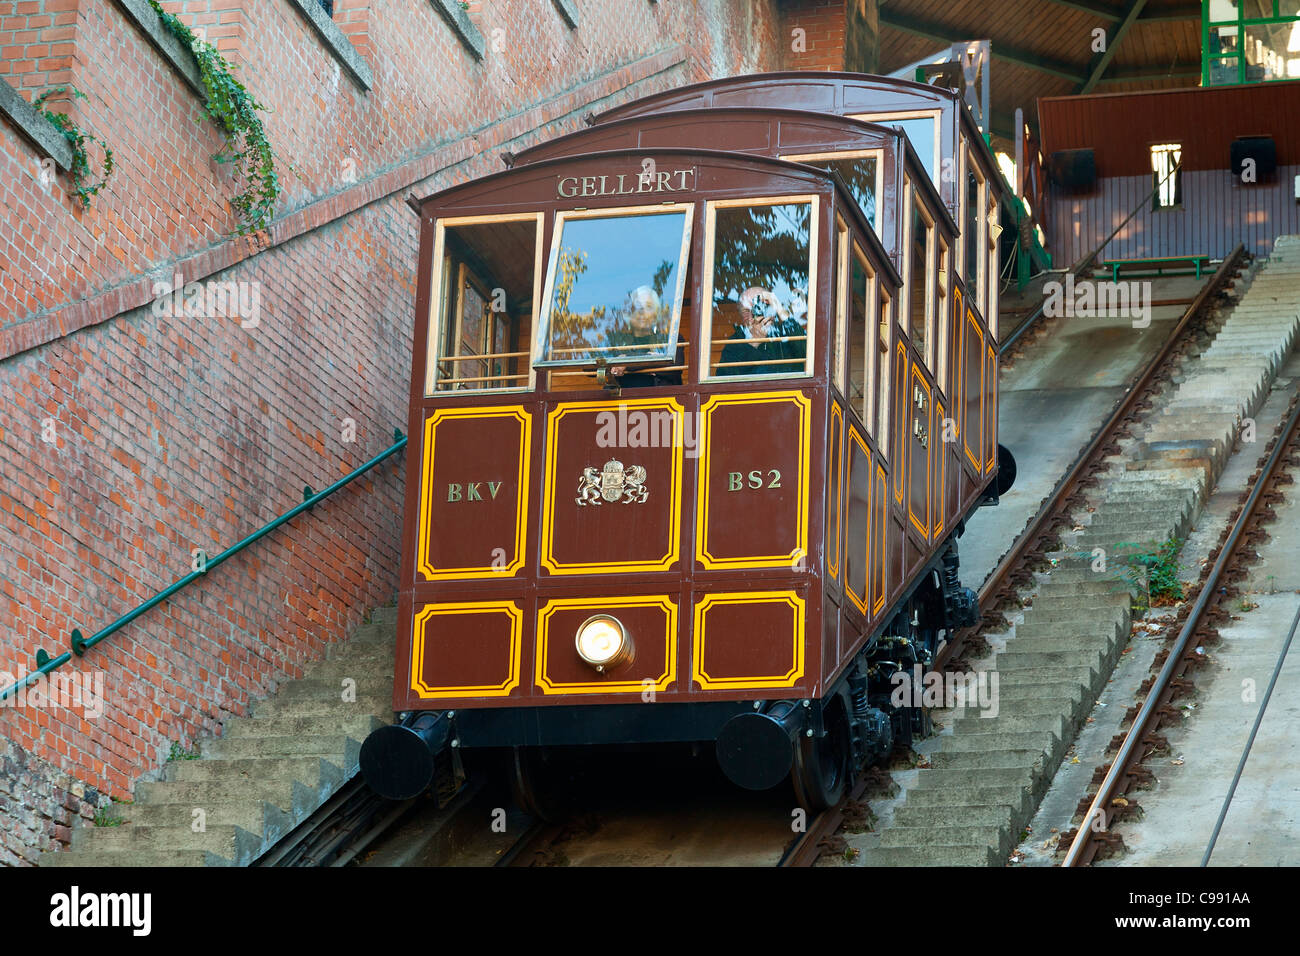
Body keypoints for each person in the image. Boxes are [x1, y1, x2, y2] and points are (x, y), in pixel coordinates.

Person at [717, 286, 806, 376]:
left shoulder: (786, 332)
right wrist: (754, 341)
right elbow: (724, 376)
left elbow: (809, 353)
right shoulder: (735, 342)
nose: (754, 314)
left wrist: (779, 308)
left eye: (761, 306)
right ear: (740, 316)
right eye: (746, 311)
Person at [605, 285, 682, 387]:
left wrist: (626, 362)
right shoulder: (617, 342)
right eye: (637, 306)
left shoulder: (670, 339)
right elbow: (592, 365)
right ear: (631, 313)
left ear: (655, 315)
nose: (642, 311)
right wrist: (654, 363)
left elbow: (676, 367)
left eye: (648, 307)